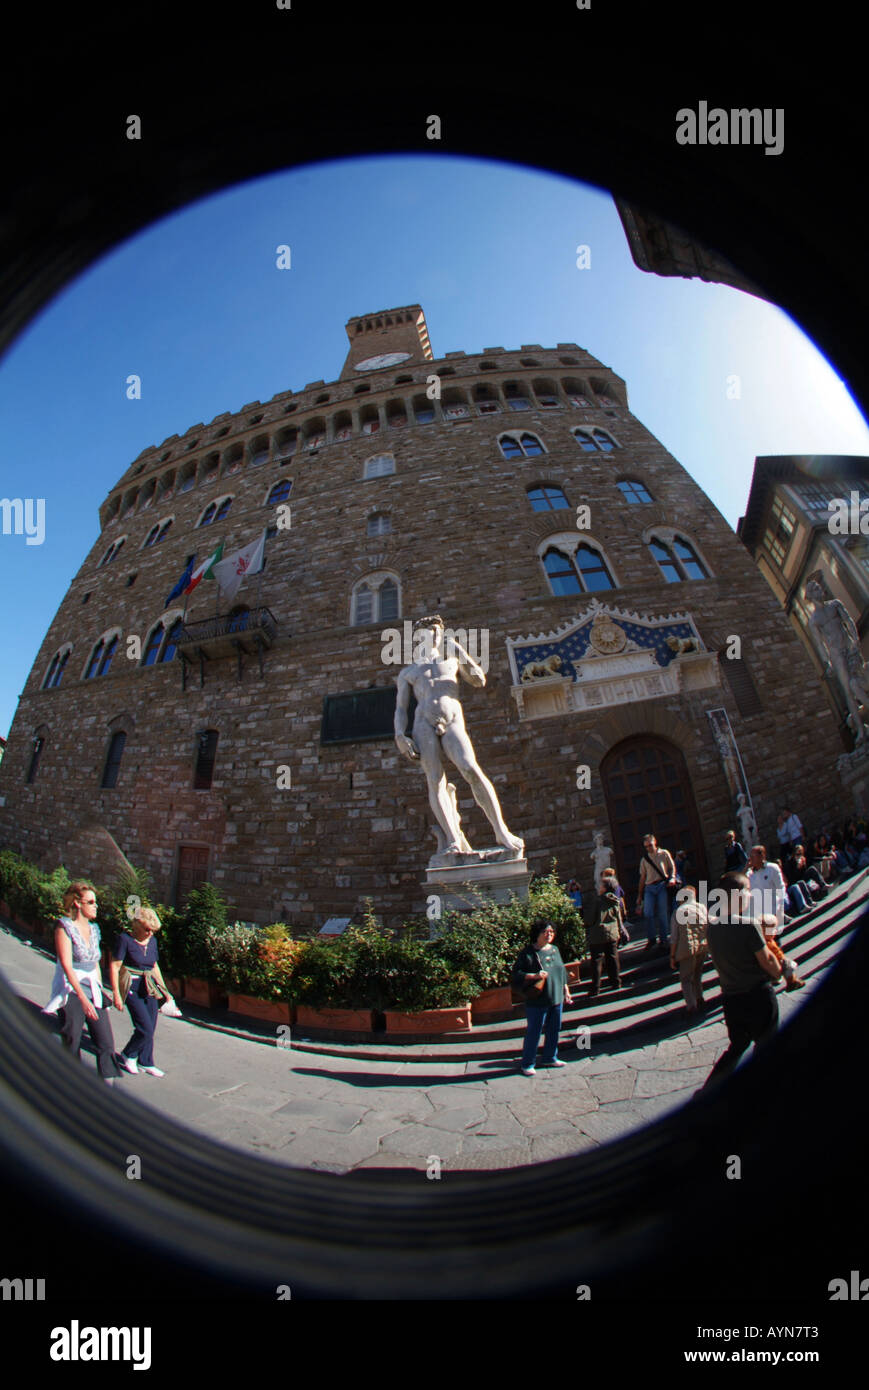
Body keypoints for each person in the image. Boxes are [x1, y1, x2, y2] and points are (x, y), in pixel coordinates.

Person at [394, 614, 524, 864]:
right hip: (423, 723)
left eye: (436, 630)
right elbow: (401, 708)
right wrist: (400, 735)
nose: (433, 634)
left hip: (452, 718)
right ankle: (453, 839)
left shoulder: (452, 658)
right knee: (435, 780)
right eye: (427, 631)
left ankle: (501, 831)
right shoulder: (408, 671)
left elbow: (479, 680)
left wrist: (462, 654)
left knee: (470, 769)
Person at [701, 872, 784, 1088]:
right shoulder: (748, 925)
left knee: (737, 1046)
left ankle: (711, 1087)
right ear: (737, 895)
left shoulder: (712, 929)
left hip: (730, 998)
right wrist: (779, 970)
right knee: (767, 1042)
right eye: (747, 891)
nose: (750, 895)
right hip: (757, 994)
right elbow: (766, 959)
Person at [43, 881, 122, 1084]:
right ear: (78, 903)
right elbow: (67, 967)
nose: (96, 906)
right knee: (72, 1040)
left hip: (92, 989)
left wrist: (99, 991)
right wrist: (82, 998)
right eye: (91, 902)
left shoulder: (94, 929)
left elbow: (95, 962)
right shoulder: (65, 927)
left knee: (106, 1044)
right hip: (71, 990)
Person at [110, 904, 174, 1076]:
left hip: (149, 986)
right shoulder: (125, 939)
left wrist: (164, 990)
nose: (150, 933)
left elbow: (154, 966)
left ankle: (146, 1061)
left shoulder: (152, 941)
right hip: (132, 985)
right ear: (137, 925)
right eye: (147, 929)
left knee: (151, 1027)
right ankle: (128, 1054)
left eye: (153, 930)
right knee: (144, 1027)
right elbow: (115, 966)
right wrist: (116, 994)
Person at [512, 920, 573, 1076]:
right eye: (545, 932)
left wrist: (566, 990)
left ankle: (550, 1057)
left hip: (556, 997)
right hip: (537, 1000)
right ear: (537, 934)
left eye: (551, 932)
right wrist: (534, 976)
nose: (549, 934)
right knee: (534, 1031)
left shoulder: (555, 950)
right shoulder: (528, 953)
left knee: (554, 1029)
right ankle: (527, 1063)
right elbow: (516, 975)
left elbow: (561, 971)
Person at [670, 883, 709, 1014]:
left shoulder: (678, 912)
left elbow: (674, 937)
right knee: (697, 974)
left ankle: (691, 1006)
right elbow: (707, 925)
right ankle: (700, 998)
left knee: (686, 978)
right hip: (702, 946)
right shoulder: (702, 907)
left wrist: (672, 956)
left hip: (686, 948)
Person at [636, 832, 677, 954]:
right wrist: (639, 895)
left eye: (650, 845)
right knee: (648, 913)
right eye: (646, 846)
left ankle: (663, 939)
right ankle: (651, 938)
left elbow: (672, 867)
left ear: (655, 843)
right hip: (649, 887)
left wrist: (672, 877)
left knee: (662, 913)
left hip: (661, 885)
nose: (649, 848)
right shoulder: (644, 859)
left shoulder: (664, 853)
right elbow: (642, 877)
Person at [585, 876, 623, 996]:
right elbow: (618, 917)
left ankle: (595, 987)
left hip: (598, 934)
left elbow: (590, 919)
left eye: (601, 885)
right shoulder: (615, 900)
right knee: (612, 957)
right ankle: (616, 982)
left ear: (605, 888)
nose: (599, 887)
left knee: (597, 960)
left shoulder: (597, 901)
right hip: (612, 933)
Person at [746, 844, 787, 929]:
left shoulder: (772, 868)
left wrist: (780, 906)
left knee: (773, 936)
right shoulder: (749, 874)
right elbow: (739, 884)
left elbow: (781, 887)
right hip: (759, 914)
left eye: (753, 856)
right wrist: (745, 868)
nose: (750, 859)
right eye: (750, 856)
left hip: (773, 909)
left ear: (762, 856)